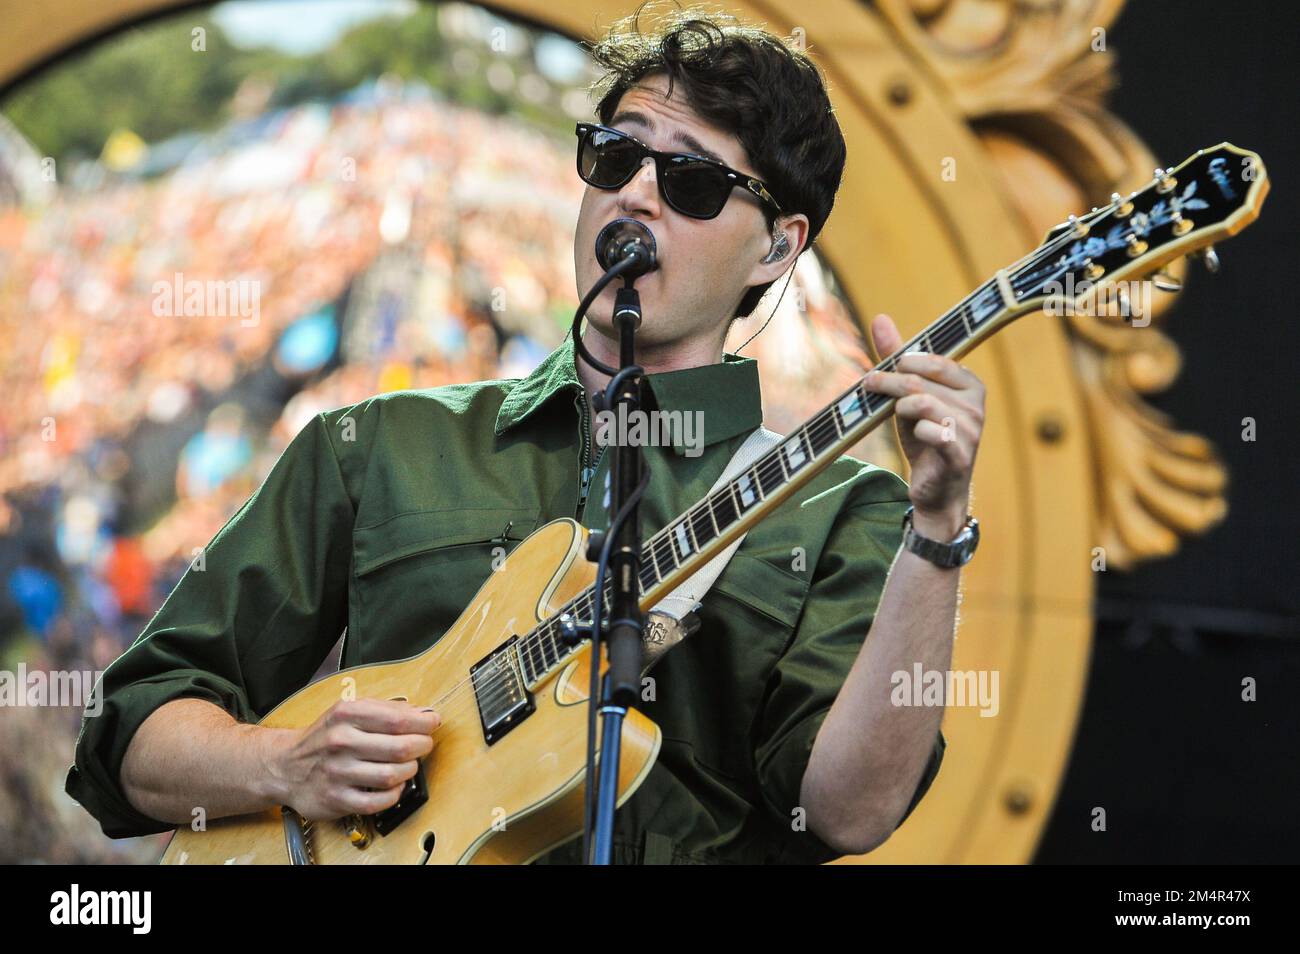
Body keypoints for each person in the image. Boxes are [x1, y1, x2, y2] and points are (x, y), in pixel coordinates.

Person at [65, 6, 985, 865]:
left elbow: (849, 808)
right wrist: (281, 764)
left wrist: (938, 531)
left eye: (696, 183)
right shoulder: (376, 443)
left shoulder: (845, 512)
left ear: (779, 247)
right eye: (616, 157)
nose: (639, 197)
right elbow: (132, 734)